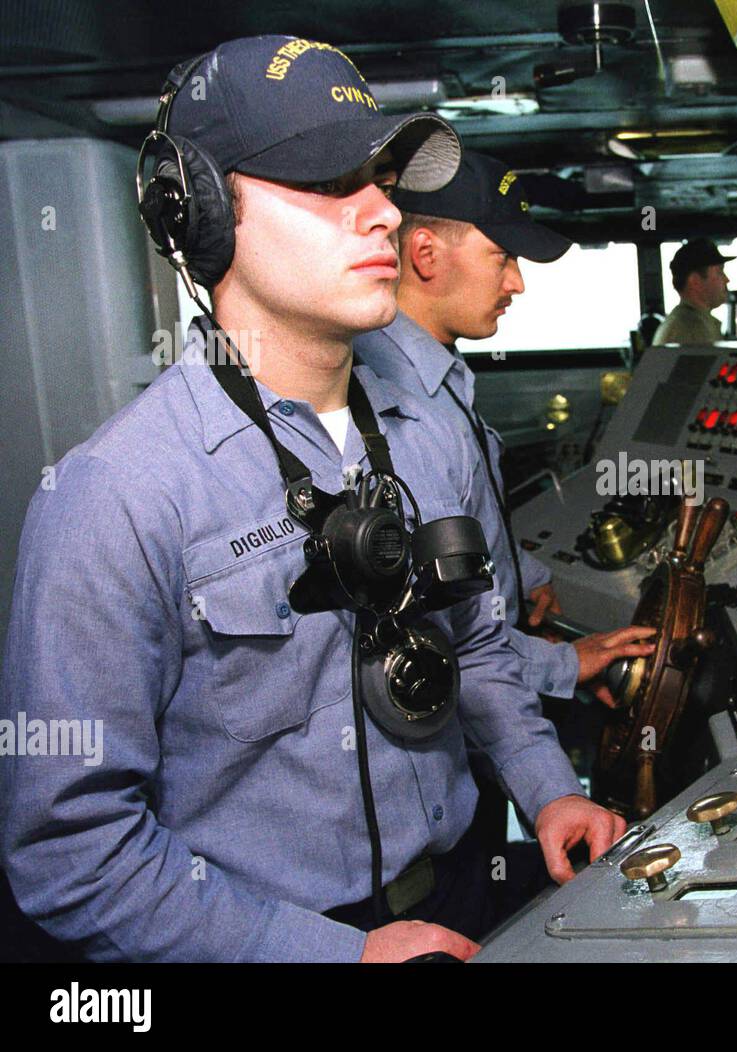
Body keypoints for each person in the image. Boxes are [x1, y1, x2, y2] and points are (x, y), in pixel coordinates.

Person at [0, 35, 623, 964]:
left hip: (467, 891)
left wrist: (546, 789)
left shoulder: (431, 434)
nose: (382, 211)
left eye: (380, 175)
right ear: (203, 212)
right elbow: (75, 855)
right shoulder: (113, 500)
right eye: (332, 183)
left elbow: (481, 650)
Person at [354, 151, 659, 711]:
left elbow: (465, 523)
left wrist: (522, 575)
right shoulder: (394, 406)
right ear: (425, 254)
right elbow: (436, 633)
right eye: (503, 257)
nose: (517, 282)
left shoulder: (437, 375)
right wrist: (564, 664)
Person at [653, 238, 733, 345]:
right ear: (695, 281)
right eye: (719, 272)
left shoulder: (693, 322)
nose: (727, 279)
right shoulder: (690, 329)